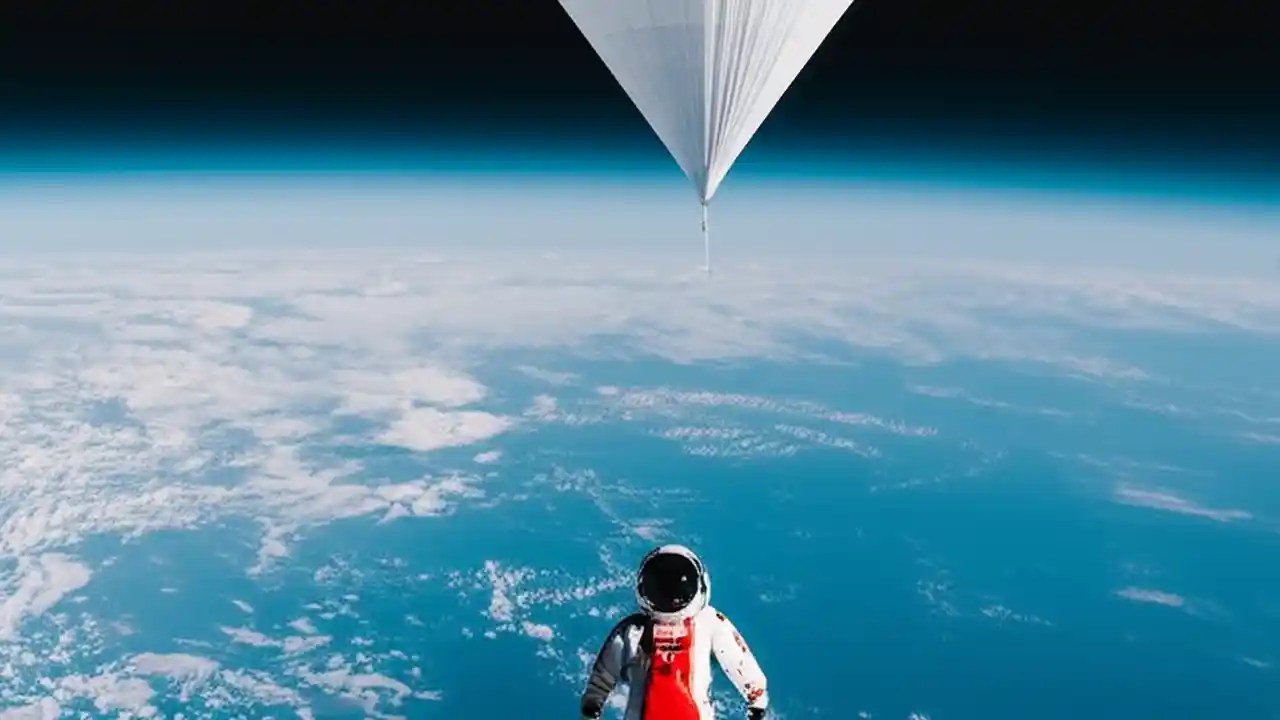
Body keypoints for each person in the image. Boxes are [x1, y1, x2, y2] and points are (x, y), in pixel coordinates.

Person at [579, 544, 769, 720]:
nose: (672, 599)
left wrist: (593, 702)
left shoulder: (633, 631)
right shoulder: (710, 623)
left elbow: (605, 670)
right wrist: (757, 699)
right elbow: (738, 660)